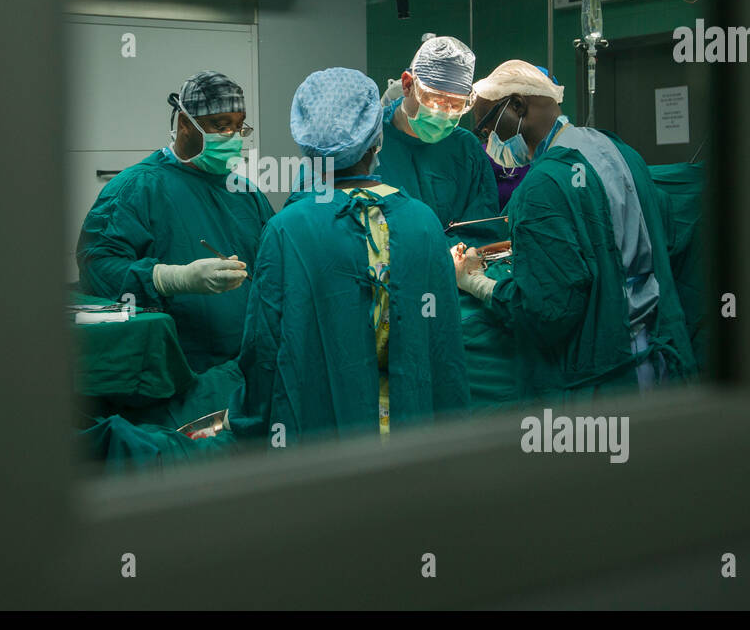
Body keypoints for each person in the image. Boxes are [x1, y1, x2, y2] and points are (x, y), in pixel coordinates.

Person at [227, 68, 469, 444]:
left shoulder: (287, 230)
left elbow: (263, 353)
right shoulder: (422, 223)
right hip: (412, 445)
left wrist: (248, 427)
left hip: (322, 449)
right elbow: (445, 353)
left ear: (306, 144)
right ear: (377, 138)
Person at [452, 60, 695, 401]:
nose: (488, 140)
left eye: (487, 127)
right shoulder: (617, 149)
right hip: (659, 355)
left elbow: (546, 312)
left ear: (518, 105)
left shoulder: (542, 185)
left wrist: (476, 282)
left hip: (605, 375)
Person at [75, 71, 274, 373]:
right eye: (220, 127)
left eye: (238, 126)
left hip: (248, 368)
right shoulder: (137, 188)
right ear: (185, 124)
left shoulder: (246, 194)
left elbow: (274, 269)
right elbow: (97, 268)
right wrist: (172, 278)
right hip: (178, 373)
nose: (232, 138)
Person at [375, 36, 509, 246]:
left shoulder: (465, 150)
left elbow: (482, 230)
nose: (444, 113)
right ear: (407, 84)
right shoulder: (368, 143)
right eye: (435, 100)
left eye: (456, 105)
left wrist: (444, 256)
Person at [470, 60, 562, 211]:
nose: (488, 134)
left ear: (518, 105)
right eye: (484, 132)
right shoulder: (486, 157)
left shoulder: (562, 162)